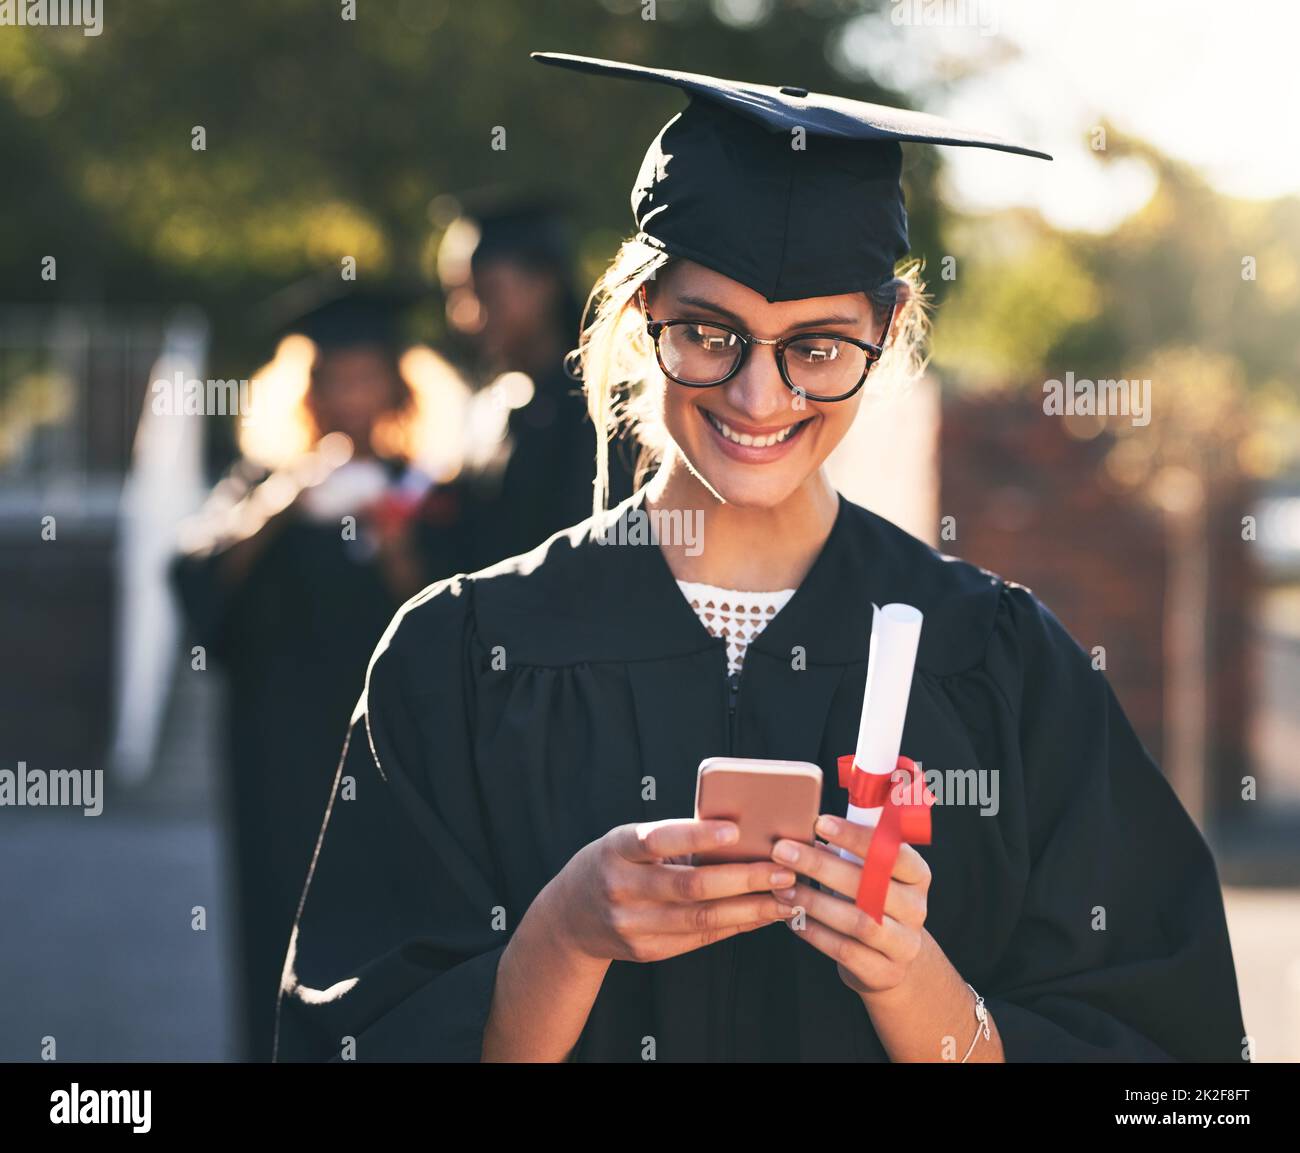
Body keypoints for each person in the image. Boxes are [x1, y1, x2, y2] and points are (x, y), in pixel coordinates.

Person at [275, 55, 1246, 1062]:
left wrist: (918, 985)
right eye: (708, 333)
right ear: (637, 311)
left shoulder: (996, 658)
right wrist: (561, 935)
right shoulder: (462, 655)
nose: (757, 397)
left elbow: (1172, 1064)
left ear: (891, 329)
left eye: (816, 347)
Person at [171, 286, 474, 1060]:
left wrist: (395, 540)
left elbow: (455, 623)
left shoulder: (429, 493)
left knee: (387, 922)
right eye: (332, 379)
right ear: (304, 391)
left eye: (366, 376)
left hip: (384, 754)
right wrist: (282, 504)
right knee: (277, 916)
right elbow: (196, 583)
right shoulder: (260, 486)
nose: (349, 396)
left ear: (398, 388)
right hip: (278, 754)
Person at [442, 199, 635, 566]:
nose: (465, 315)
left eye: (484, 293)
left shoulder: (602, 409)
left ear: (545, 284)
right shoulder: (489, 405)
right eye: (455, 295)